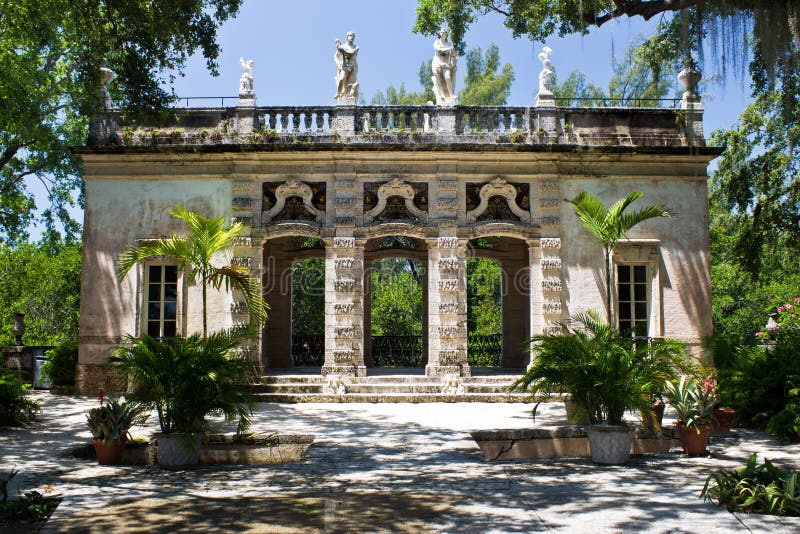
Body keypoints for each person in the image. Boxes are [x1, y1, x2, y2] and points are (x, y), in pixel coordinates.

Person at [431, 28, 457, 105]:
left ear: (446, 34)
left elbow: (453, 56)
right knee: (438, 78)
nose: (442, 34)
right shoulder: (437, 42)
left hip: (445, 64)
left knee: (447, 77)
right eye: (441, 32)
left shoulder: (449, 45)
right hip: (436, 63)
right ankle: (441, 94)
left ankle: (451, 95)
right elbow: (439, 49)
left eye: (444, 32)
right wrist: (450, 48)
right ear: (439, 34)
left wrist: (452, 64)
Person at [334, 32, 359, 100]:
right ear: (347, 37)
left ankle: (350, 96)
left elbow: (350, 54)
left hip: (353, 65)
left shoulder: (356, 47)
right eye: (350, 35)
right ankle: (339, 93)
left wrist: (341, 49)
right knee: (342, 79)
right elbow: (336, 56)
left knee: (352, 83)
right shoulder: (343, 46)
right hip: (345, 66)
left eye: (353, 36)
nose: (352, 37)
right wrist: (338, 63)